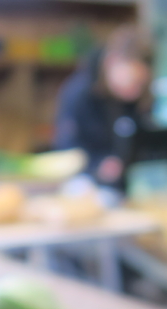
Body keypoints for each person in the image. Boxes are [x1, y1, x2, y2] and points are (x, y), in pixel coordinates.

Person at [54, 25, 155, 188]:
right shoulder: (78, 93)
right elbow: (67, 148)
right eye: (130, 81)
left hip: (127, 187)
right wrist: (98, 164)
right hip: (87, 186)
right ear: (111, 62)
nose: (134, 92)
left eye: (140, 85)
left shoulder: (137, 99)